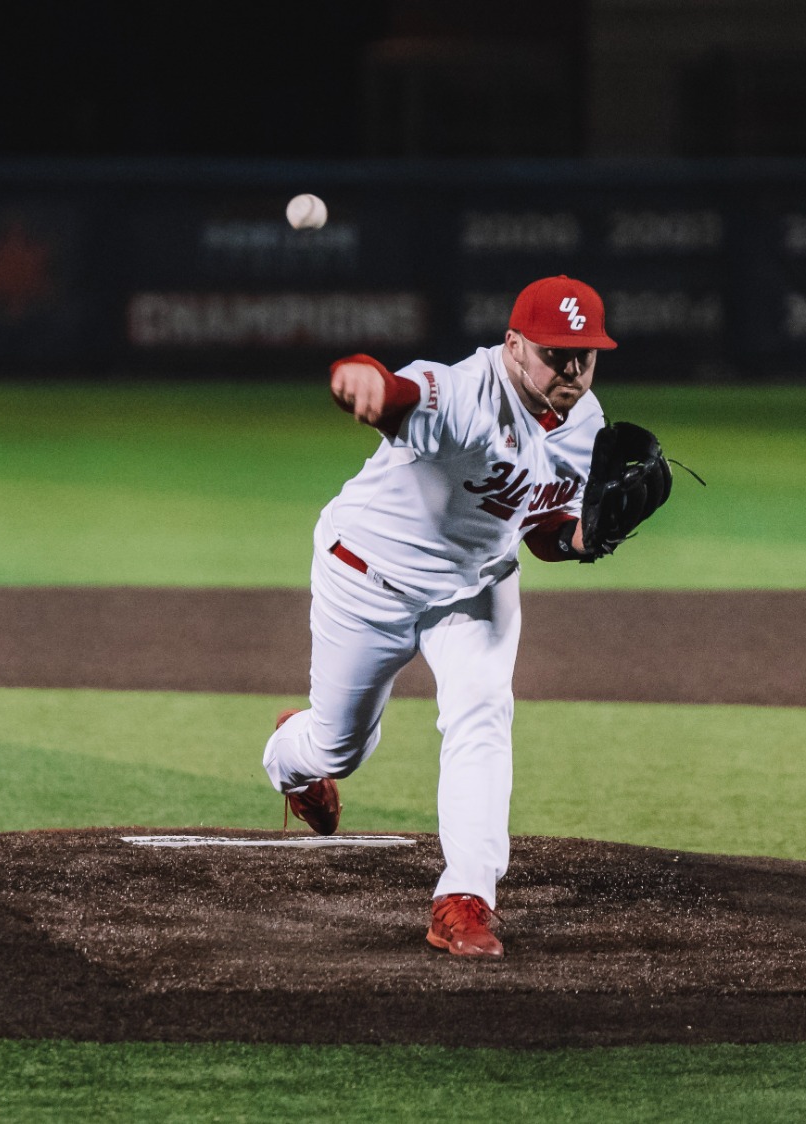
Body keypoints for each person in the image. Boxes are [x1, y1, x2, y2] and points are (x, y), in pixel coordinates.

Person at [261, 275, 617, 958]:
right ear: (513, 345)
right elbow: (391, 392)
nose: (571, 368)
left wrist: (585, 540)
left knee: (483, 715)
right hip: (368, 576)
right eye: (555, 352)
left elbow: (543, 528)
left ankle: (465, 898)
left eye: (585, 354)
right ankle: (293, 760)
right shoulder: (462, 394)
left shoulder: (585, 421)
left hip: (476, 587)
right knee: (339, 746)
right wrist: (356, 379)